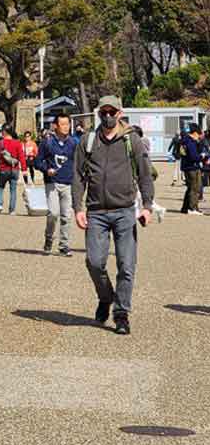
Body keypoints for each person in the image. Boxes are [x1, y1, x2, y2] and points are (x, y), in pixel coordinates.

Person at [72, 95, 154, 335]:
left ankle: (121, 313)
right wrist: (78, 208)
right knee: (94, 262)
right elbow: (77, 176)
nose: (107, 116)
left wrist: (147, 206)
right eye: (103, 112)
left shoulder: (132, 140)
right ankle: (105, 297)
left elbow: (145, 175)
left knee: (126, 265)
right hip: (96, 211)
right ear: (99, 113)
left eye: (112, 112)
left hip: (124, 211)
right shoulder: (87, 141)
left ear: (120, 113)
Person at [35, 112, 78, 256]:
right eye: (63, 124)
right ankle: (48, 238)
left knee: (67, 215)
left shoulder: (73, 143)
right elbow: (37, 162)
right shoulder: (47, 142)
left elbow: (78, 162)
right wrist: (47, 170)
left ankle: (64, 245)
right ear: (55, 126)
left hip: (68, 183)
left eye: (68, 124)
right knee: (53, 213)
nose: (66, 127)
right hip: (52, 183)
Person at [0, 125, 27, 214]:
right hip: (14, 169)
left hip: (4, 169)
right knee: (13, 190)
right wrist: (24, 169)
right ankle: (12, 210)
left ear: (4, 132)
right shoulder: (18, 143)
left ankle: (0, 205)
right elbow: (21, 157)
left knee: (0, 187)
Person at [180, 122, 204, 215]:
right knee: (195, 188)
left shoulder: (186, 140)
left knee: (190, 188)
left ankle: (185, 208)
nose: (198, 137)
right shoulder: (190, 142)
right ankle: (192, 208)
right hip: (192, 167)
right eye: (198, 134)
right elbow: (194, 156)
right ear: (194, 133)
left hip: (188, 167)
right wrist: (202, 156)